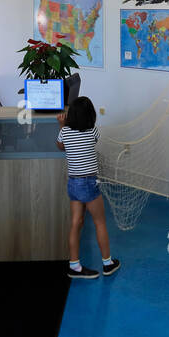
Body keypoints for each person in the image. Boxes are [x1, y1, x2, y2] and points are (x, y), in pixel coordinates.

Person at [56, 96, 119, 280]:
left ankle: (74, 265)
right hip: (89, 183)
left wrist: (62, 126)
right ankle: (107, 263)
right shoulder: (93, 131)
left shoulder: (65, 132)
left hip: (73, 183)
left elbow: (61, 147)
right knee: (100, 222)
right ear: (90, 115)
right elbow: (93, 142)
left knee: (76, 223)